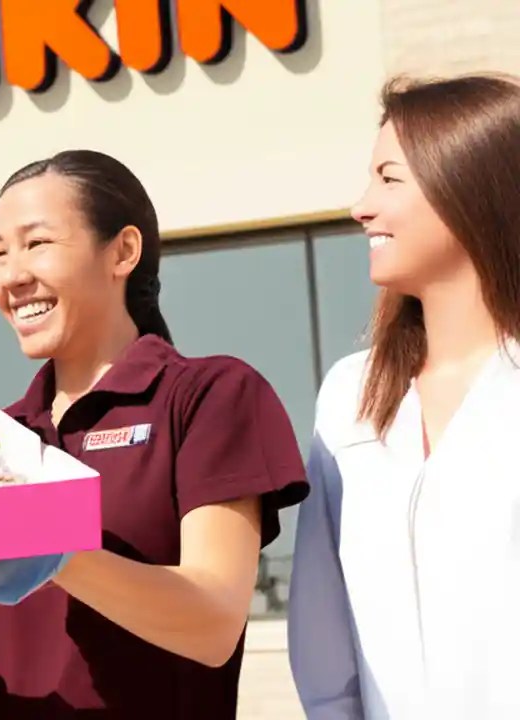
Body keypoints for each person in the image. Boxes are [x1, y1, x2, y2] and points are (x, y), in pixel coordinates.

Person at [0, 149, 309, 718]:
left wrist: (56, 556)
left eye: (37, 243)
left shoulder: (208, 396)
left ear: (122, 251)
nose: (13, 275)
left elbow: (214, 623)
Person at [288, 74, 520, 719]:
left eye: (389, 178)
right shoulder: (349, 396)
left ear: (469, 186)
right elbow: (321, 620)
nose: (362, 207)